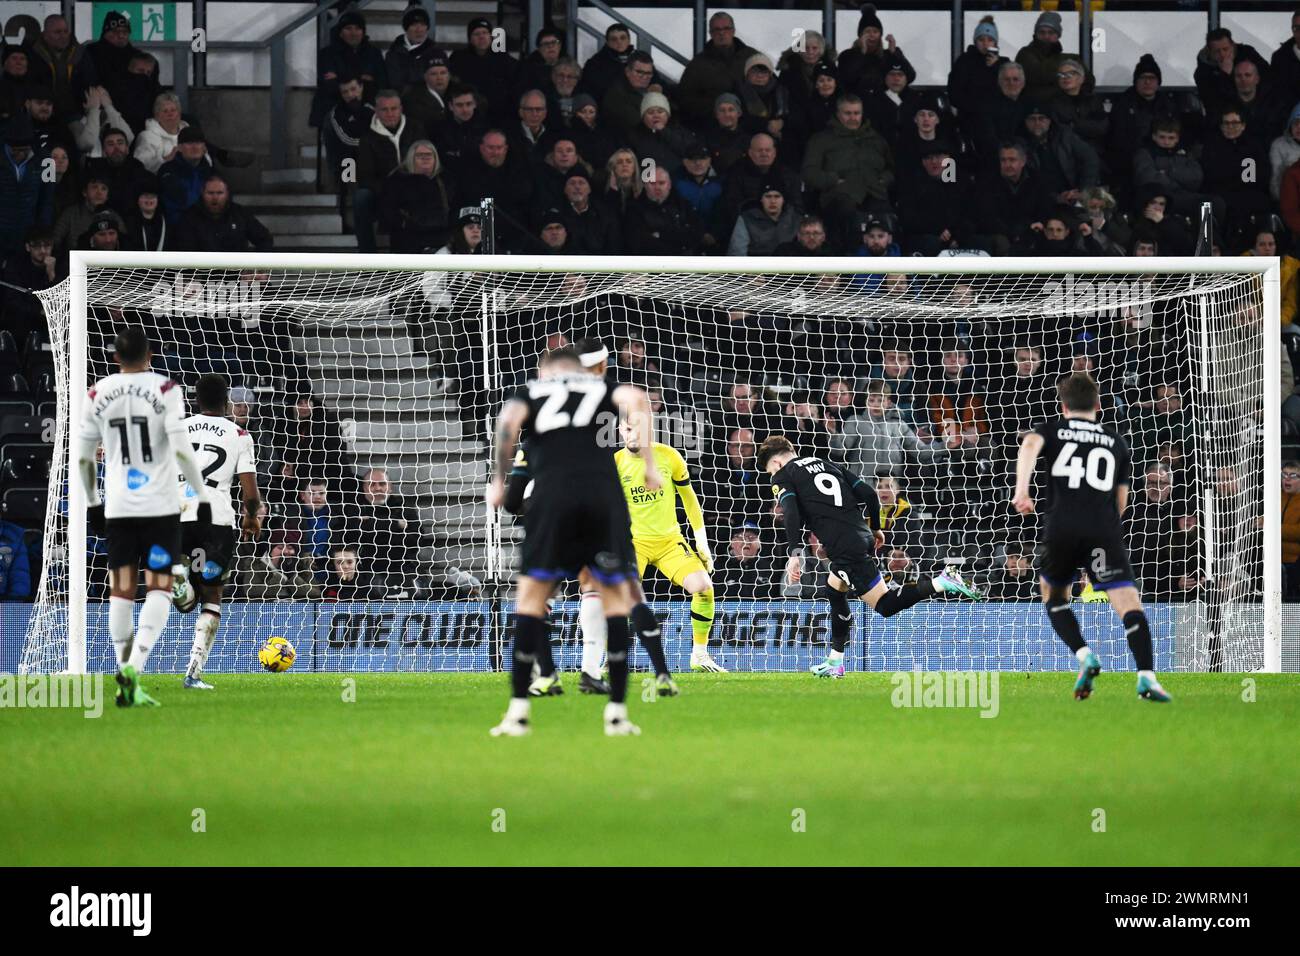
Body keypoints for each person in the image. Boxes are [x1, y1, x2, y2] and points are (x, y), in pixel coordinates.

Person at [484, 346, 665, 737]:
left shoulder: (533, 390)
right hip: (604, 502)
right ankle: (617, 713)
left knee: (530, 601)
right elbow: (637, 399)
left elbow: (508, 422)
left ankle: (518, 713)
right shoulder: (601, 387)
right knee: (617, 603)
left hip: (551, 502)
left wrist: (498, 481)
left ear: (544, 370)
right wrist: (650, 465)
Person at [757, 434, 982, 679]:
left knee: (885, 605)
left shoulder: (783, 475)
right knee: (834, 589)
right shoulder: (826, 463)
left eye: (770, 471)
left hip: (845, 547)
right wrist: (875, 528)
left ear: (776, 464)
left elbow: (790, 511)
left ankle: (943, 582)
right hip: (859, 536)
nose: (772, 476)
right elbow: (869, 493)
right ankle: (835, 661)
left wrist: (794, 552)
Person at [1012, 371, 1172, 703]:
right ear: (1098, 405)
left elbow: (1028, 443)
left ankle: (1084, 655)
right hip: (1103, 530)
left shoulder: (1054, 430)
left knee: (1054, 597)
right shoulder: (1116, 443)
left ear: (1064, 407)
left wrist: (1022, 492)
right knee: (1128, 603)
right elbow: (1122, 501)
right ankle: (1146, 677)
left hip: (1062, 529)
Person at [76, 326, 212, 707]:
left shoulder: (95, 393)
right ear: (150, 354)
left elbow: (86, 457)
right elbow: (182, 450)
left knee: (120, 588)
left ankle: (125, 676)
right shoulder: (166, 390)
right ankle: (135, 666)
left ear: (115, 357)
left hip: (118, 507)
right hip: (159, 508)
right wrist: (200, 495)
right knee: (159, 587)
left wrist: (91, 502)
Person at [614, 394, 725, 673]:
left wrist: (701, 541)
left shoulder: (669, 456)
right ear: (619, 430)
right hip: (633, 543)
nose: (633, 434)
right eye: (628, 428)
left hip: (668, 542)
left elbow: (689, 499)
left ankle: (699, 655)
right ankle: (611, 657)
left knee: (704, 588)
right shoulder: (614, 464)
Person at [169, 374, 261, 690]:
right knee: (213, 596)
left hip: (178, 514)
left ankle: (177, 576)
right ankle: (192, 673)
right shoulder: (239, 433)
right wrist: (251, 518)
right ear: (226, 402)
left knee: (185, 598)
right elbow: (249, 491)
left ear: (195, 399)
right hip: (217, 520)